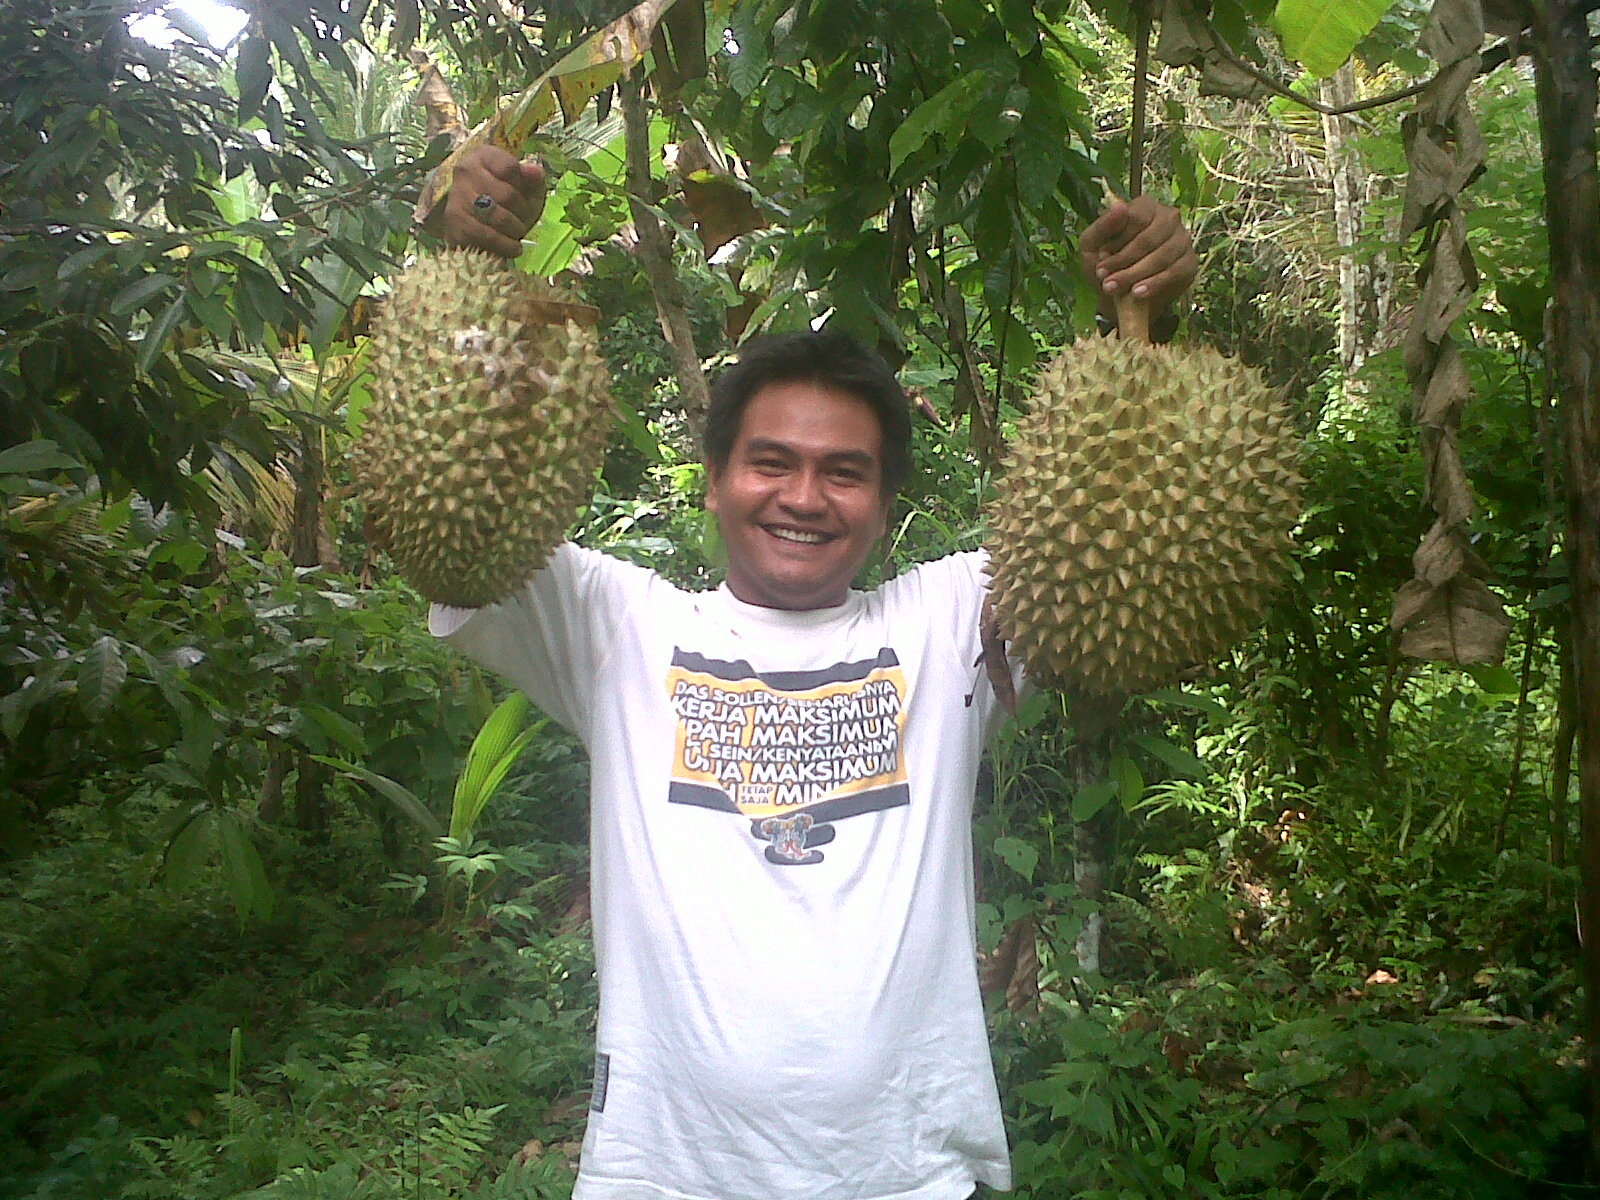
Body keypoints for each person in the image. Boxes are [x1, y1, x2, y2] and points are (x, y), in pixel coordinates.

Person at [424, 144, 1197, 1200]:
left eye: (846, 472)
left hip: (908, 1175)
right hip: (664, 1177)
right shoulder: (614, 626)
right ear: (713, 482)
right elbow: (457, 511)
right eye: (771, 462)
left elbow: (1125, 526)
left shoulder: (947, 622)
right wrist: (467, 271)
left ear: (883, 508)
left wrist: (1147, 320)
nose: (804, 496)